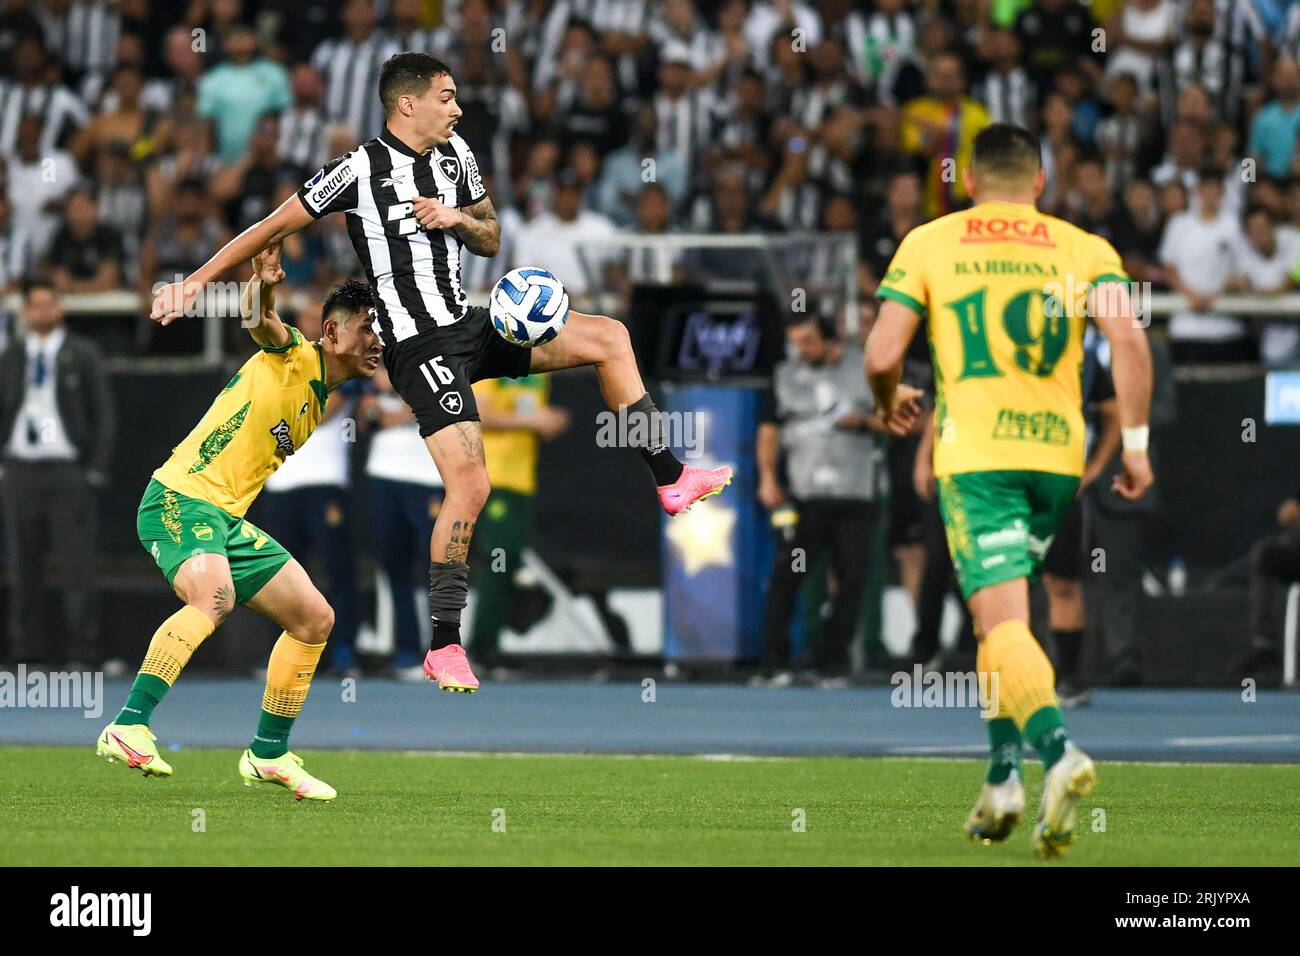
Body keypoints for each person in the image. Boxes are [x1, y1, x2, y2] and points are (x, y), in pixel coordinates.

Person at [149, 52, 731, 696]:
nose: (457, 108)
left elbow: (490, 235)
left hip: (469, 322)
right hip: (417, 344)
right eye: (446, 96)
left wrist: (457, 218)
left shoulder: (459, 156)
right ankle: (445, 643)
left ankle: (671, 478)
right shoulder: (359, 170)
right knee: (472, 484)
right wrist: (191, 286)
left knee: (610, 337)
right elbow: (268, 227)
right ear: (407, 103)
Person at [867, 123, 1154, 858]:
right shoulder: (1085, 248)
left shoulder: (931, 242)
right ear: (1040, 182)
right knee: (1009, 623)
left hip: (980, 458)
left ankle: (1058, 754)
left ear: (967, 182)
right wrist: (1140, 446)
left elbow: (881, 351)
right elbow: (1128, 341)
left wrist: (888, 395)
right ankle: (1001, 777)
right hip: (1059, 459)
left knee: (1000, 628)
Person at [97, 246, 382, 801]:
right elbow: (257, 319)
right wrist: (260, 279)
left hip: (223, 519)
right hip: (179, 498)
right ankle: (128, 724)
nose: (378, 340)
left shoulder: (319, 398)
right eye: (369, 327)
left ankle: (268, 754)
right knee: (216, 597)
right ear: (331, 332)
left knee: (314, 618)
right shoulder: (295, 355)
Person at [757, 312, 887, 685]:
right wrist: (767, 477)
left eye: (809, 340)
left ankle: (834, 660)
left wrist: (862, 422)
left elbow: (897, 419)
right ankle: (775, 662)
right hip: (804, 497)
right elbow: (768, 430)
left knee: (852, 579)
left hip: (854, 494)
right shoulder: (785, 376)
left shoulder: (866, 369)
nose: (802, 349)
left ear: (834, 338)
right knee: (787, 576)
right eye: (796, 341)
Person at [0, 277, 115, 668]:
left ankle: (83, 652)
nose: (42, 312)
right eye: (35, 305)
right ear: (26, 311)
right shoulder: (13, 355)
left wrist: (95, 469)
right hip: (20, 469)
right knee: (22, 565)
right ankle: (26, 651)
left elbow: (104, 413)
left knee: (76, 566)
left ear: (60, 307)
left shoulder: (82, 354)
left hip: (68, 472)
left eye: (49, 304)